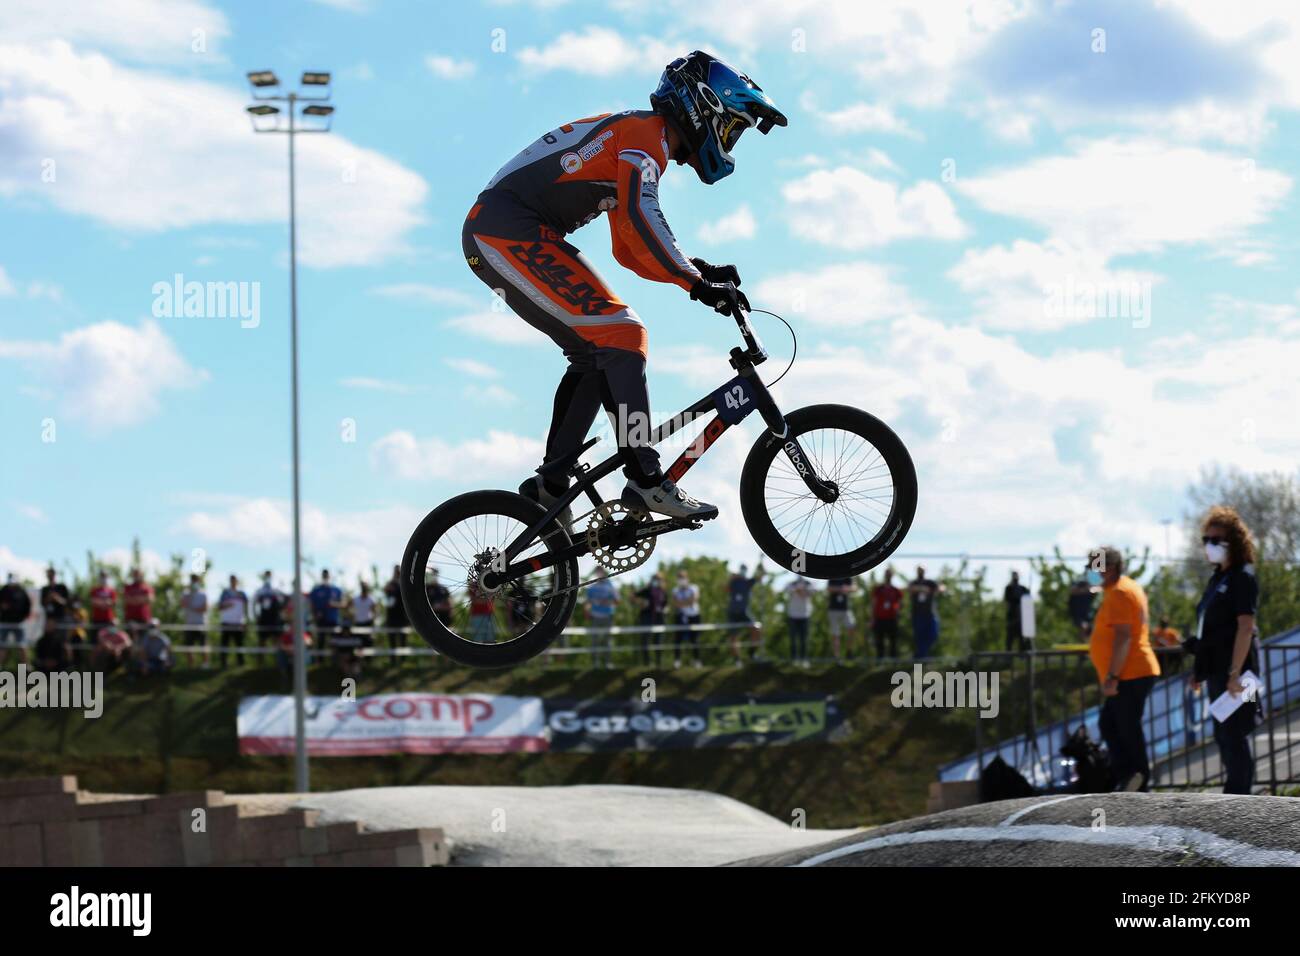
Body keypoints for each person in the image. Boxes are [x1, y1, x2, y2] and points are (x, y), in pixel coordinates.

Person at [462, 51, 786, 525]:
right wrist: (695, 283)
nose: (730, 141)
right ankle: (646, 479)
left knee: (607, 344)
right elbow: (640, 217)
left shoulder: (641, 137)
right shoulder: (645, 137)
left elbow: (630, 247)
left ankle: (551, 487)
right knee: (622, 334)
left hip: (516, 232)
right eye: (731, 128)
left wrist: (694, 270)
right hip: (506, 232)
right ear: (704, 109)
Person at [1189, 507, 1263, 795]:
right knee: (1223, 733)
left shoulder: (1242, 577)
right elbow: (1208, 628)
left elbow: (1245, 627)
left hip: (1240, 670)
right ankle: (1236, 794)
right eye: (1206, 539)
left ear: (1233, 541)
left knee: (1234, 733)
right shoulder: (1217, 578)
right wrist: (1199, 670)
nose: (1209, 544)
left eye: (1216, 539)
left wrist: (1235, 673)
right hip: (1218, 669)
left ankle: (1240, 798)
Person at [1087, 546, 1160, 792]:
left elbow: (1123, 637)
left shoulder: (1119, 592)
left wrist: (1112, 676)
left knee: (1125, 727)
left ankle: (1137, 778)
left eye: (1096, 566)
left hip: (1130, 672)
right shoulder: (1120, 588)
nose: (1091, 572)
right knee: (1111, 724)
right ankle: (1131, 778)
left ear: (1111, 568)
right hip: (1131, 672)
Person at [725, 563, 764, 664]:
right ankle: (737, 660)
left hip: (744, 612)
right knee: (733, 637)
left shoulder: (748, 582)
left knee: (756, 629)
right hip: (732, 612)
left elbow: (760, 576)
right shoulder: (734, 581)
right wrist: (732, 578)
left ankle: (752, 654)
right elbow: (726, 589)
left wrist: (760, 564)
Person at [585, 569, 619, 668]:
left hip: (608, 616)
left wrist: (608, 602)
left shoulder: (610, 587)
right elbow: (588, 602)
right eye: (597, 573)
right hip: (595, 616)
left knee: (607, 641)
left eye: (601, 572)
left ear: (604, 574)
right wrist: (586, 611)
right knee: (594, 640)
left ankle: (608, 662)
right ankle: (596, 663)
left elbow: (617, 601)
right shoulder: (591, 588)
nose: (599, 574)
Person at [908, 567, 943, 659]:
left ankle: (921, 655)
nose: (920, 572)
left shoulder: (930, 582)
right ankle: (922, 657)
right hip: (918, 614)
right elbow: (911, 589)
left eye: (922, 570)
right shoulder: (914, 582)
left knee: (933, 634)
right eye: (919, 570)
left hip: (930, 613)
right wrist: (923, 589)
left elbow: (941, 588)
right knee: (919, 637)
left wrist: (932, 590)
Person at [634, 572, 668, 666]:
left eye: (659, 579)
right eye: (655, 579)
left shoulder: (663, 592)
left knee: (658, 641)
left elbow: (665, 604)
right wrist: (641, 603)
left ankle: (658, 663)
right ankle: (647, 663)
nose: (656, 581)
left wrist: (665, 609)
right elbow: (633, 597)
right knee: (645, 641)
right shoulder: (646, 590)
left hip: (659, 618)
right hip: (646, 617)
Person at [671, 570, 702, 668]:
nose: (681, 580)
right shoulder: (675, 590)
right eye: (679, 578)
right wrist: (687, 602)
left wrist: (682, 603)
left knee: (695, 639)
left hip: (694, 616)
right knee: (678, 639)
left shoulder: (694, 587)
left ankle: (697, 660)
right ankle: (677, 661)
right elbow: (676, 603)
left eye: (683, 577)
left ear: (687, 578)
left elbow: (694, 599)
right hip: (681, 616)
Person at [871, 569, 903, 660]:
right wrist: (872, 618)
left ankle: (893, 663)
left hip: (892, 619)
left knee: (893, 642)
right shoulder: (878, 589)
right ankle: (880, 662)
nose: (888, 577)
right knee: (879, 642)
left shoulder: (896, 590)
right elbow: (873, 603)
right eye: (887, 575)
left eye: (890, 575)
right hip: (880, 619)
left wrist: (898, 614)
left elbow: (900, 604)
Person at [253, 571, 285, 664]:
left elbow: (282, 602)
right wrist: (256, 616)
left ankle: (278, 662)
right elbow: (254, 604)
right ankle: (260, 663)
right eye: (266, 576)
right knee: (262, 641)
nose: (268, 577)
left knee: (277, 641)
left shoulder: (276, 590)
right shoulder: (260, 590)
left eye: (269, 576)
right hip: (264, 618)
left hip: (274, 619)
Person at [0, 573, 31, 666]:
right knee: (2, 646)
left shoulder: (22, 591)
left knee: (22, 646)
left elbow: (27, 605)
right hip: (5, 623)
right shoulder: (4, 590)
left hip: (19, 623)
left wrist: (24, 616)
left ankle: (26, 668)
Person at [217, 575, 249, 668]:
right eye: (231, 580)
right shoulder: (224, 593)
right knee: (225, 644)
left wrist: (246, 621)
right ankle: (223, 663)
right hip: (226, 622)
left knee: (239, 644)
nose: (233, 582)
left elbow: (246, 608)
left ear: (237, 581)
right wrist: (227, 606)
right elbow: (219, 607)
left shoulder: (242, 594)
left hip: (239, 623)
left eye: (234, 580)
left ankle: (241, 663)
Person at [179, 574, 209, 664]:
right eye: (192, 580)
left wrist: (192, 608)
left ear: (199, 581)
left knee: (203, 645)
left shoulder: (203, 593)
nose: (194, 582)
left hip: (201, 623)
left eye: (195, 580)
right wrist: (189, 596)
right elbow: (182, 605)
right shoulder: (186, 593)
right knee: (188, 646)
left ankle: (205, 664)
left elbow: (205, 608)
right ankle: (191, 666)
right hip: (189, 623)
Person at [308, 570, 344, 644]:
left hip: (333, 620)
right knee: (321, 642)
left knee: (335, 642)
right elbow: (312, 605)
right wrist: (315, 616)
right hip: (321, 621)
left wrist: (333, 604)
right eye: (324, 575)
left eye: (326, 575)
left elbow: (343, 603)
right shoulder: (317, 590)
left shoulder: (336, 590)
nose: (325, 577)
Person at [826, 577, 857, 661]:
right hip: (833, 609)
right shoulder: (832, 576)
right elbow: (829, 588)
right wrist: (840, 589)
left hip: (845, 609)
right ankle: (836, 656)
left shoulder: (848, 576)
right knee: (835, 633)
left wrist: (846, 588)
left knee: (852, 627)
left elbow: (854, 587)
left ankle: (849, 651)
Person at [784, 576, 813, 667]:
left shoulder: (808, 583)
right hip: (793, 615)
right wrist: (800, 590)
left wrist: (799, 590)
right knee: (793, 639)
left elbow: (809, 593)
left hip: (805, 615)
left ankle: (804, 659)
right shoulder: (791, 583)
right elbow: (787, 590)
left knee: (804, 639)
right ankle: (794, 659)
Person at [382, 565, 408, 658]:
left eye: (398, 571)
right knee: (392, 640)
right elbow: (385, 589)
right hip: (391, 617)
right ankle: (393, 661)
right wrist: (393, 580)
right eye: (396, 571)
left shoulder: (404, 583)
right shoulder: (391, 583)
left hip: (402, 616)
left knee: (403, 640)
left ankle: (403, 661)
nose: (397, 573)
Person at [40, 566, 70, 641]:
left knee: (64, 642)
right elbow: (42, 604)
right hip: (49, 619)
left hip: (61, 618)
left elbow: (67, 602)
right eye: (48, 574)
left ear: (54, 575)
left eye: (51, 574)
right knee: (49, 641)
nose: (50, 576)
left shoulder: (62, 587)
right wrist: (49, 598)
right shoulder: (45, 589)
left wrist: (57, 598)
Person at [122, 567, 153, 639]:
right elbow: (127, 600)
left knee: (144, 641)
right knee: (129, 641)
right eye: (135, 574)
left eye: (138, 574)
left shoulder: (147, 587)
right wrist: (142, 599)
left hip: (144, 619)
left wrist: (134, 599)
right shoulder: (128, 587)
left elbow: (149, 599)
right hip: (130, 619)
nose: (136, 576)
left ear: (142, 575)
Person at [1003, 571, 1030, 653]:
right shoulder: (1009, 588)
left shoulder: (1023, 588)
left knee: (1022, 637)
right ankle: (1008, 658)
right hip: (1012, 616)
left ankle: (1022, 654)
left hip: (1021, 617)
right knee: (1010, 638)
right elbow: (1008, 599)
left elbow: (1027, 597)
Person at [1067, 575, 1096, 639]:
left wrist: (1082, 591)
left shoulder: (1077, 621)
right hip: (1089, 587)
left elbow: (1072, 591)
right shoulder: (1091, 619)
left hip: (1081, 585)